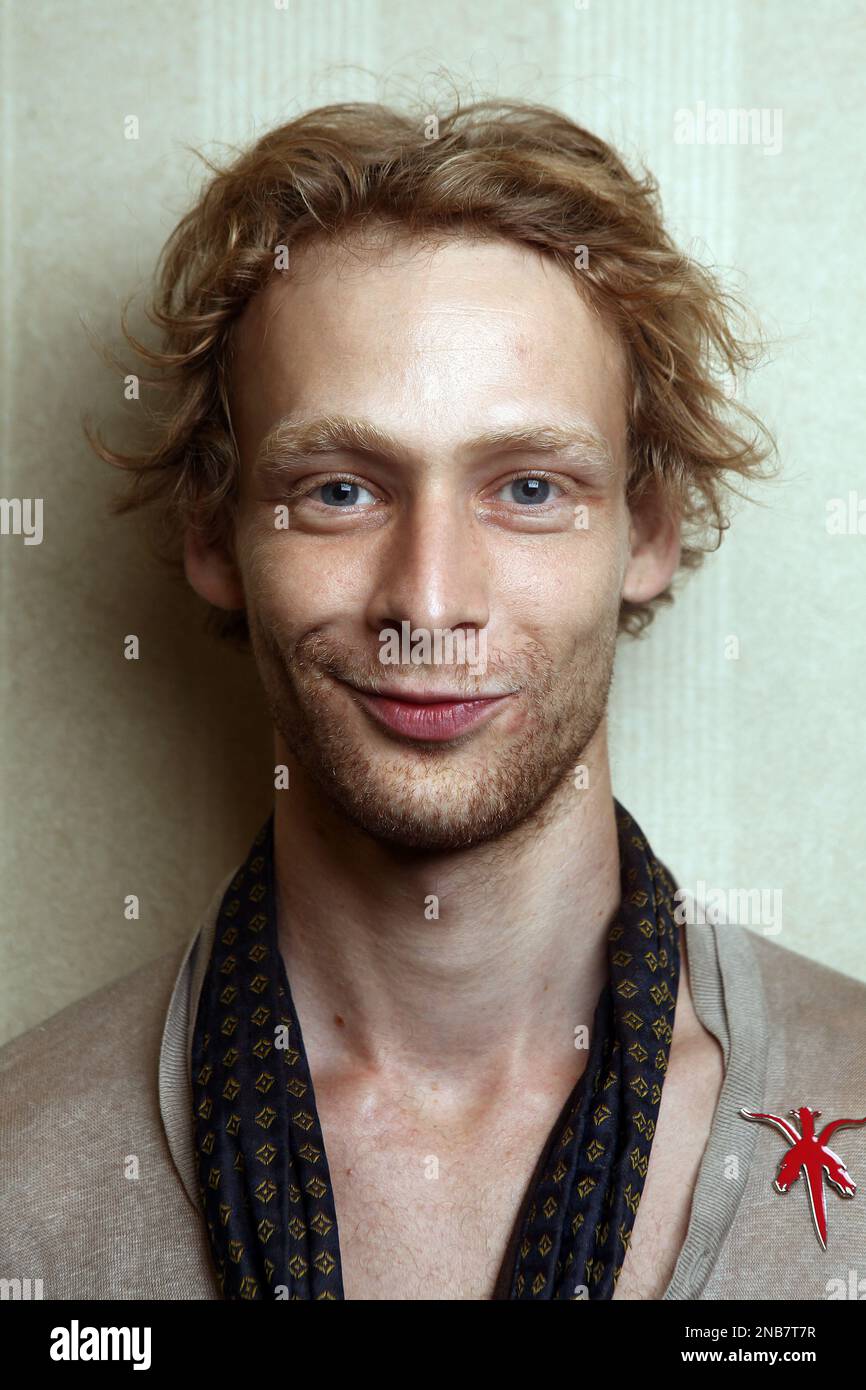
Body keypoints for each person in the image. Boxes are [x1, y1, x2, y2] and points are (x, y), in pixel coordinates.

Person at [2, 99, 864, 1303]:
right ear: (213, 534)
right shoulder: (22, 1187)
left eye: (525, 486)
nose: (428, 599)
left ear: (647, 532)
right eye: (341, 489)